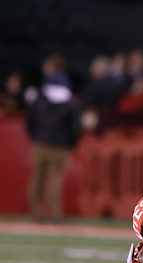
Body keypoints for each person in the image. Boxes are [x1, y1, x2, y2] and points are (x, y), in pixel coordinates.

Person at [25, 54, 81, 221]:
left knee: (38, 178)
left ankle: (36, 212)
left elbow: (30, 120)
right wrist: (71, 142)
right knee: (55, 180)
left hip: (41, 142)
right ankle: (55, 213)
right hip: (61, 145)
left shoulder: (40, 95)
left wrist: (35, 136)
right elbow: (75, 125)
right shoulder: (70, 99)